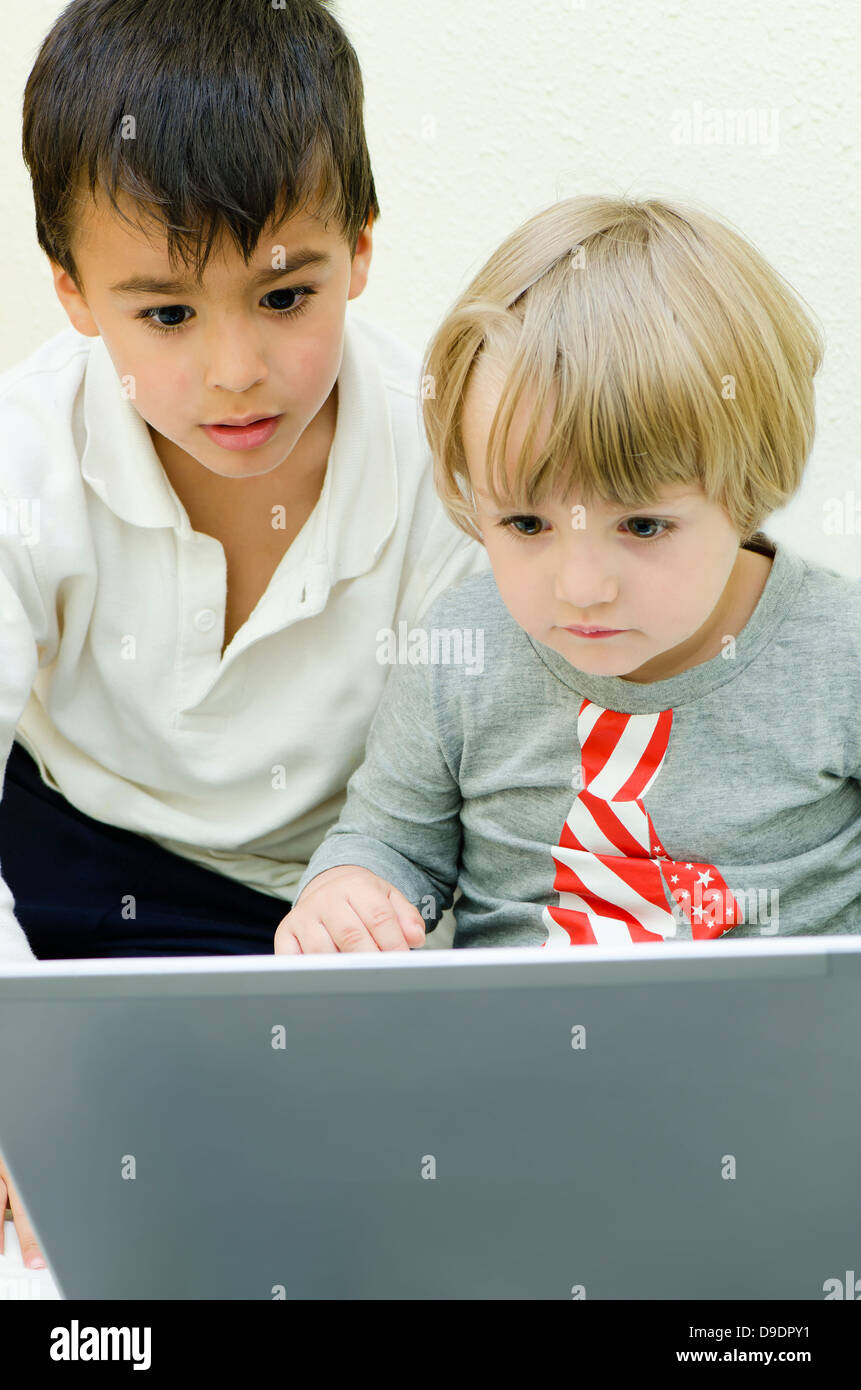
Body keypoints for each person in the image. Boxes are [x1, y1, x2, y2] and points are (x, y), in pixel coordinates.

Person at [0, 0, 489, 1263]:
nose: (235, 371)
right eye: (164, 314)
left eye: (283, 295)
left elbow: (474, 789)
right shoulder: (26, 454)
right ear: (71, 293)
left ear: (362, 251)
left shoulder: (451, 464)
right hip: (65, 868)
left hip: (316, 904)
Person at [274, 194, 861, 956]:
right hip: (524, 1057)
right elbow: (392, 847)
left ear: (748, 486)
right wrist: (351, 893)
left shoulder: (836, 654)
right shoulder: (462, 650)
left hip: (787, 1061)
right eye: (525, 525)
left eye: (642, 526)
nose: (581, 587)